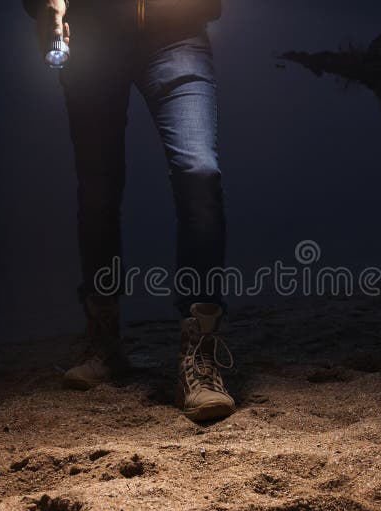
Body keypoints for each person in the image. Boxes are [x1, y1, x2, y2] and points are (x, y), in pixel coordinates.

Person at [23, 0, 234, 422]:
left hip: (178, 35)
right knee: (98, 190)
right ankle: (103, 339)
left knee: (200, 172)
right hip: (92, 38)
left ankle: (201, 353)